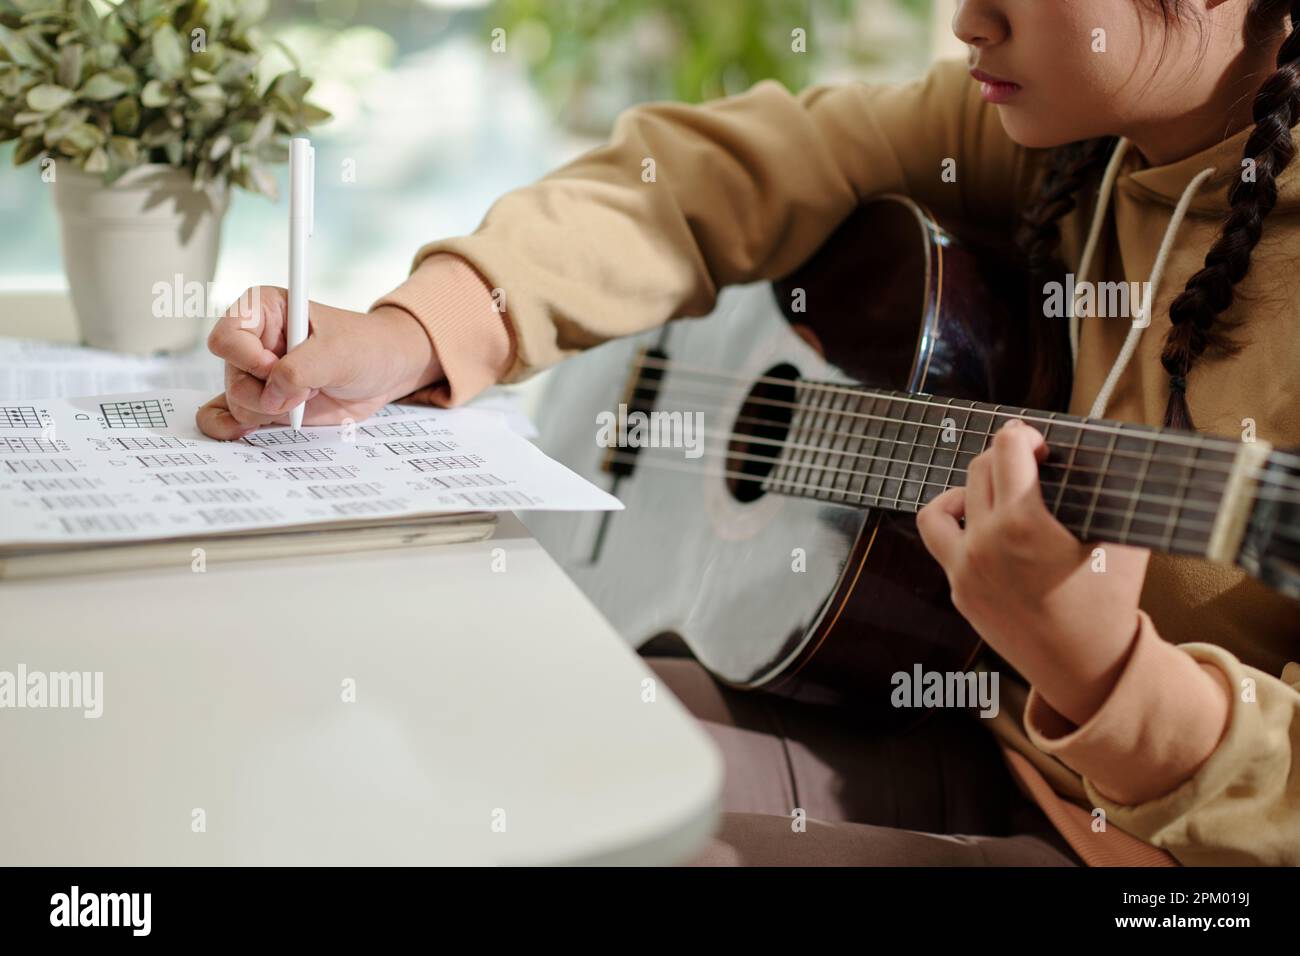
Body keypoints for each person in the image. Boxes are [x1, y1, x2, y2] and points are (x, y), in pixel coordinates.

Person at [197, 0, 1300, 865]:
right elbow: (702, 179)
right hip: (955, 725)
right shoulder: (1076, 133)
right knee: (440, 719)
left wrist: (1108, 680)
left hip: (1151, 854)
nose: (967, 19)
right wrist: (418, 330)